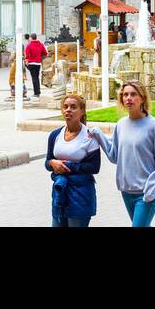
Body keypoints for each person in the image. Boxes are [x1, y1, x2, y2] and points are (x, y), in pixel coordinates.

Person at [89, 80, 155, 228]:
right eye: (125, 94)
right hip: (126, 192)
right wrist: (99, 135)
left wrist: (151, 190)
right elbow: (114, 155)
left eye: (133, 94)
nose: (128, 98)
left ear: (142, 98)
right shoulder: (121, 125)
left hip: (146, 194)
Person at [46, 94, 100, 228]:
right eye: (65, 107)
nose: (68, 110)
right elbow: (48, 162)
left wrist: (67, 166)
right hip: (60, 193)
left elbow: (94, 167)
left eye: (73, 107)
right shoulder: (55, 135)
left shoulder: (89, 136)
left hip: (80, 194)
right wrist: (52, 163)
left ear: (82, 111)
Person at [24, 33, 47, 98]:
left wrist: (26, 61)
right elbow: (45, 53)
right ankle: (38, 92)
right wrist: (40, 58)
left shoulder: (29, 45)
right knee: (36, 77)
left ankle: (36, 93)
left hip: (31, 63)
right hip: (38, 63)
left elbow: (27, 56)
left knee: (34, 78)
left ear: (31, 38)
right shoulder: (41, 44)